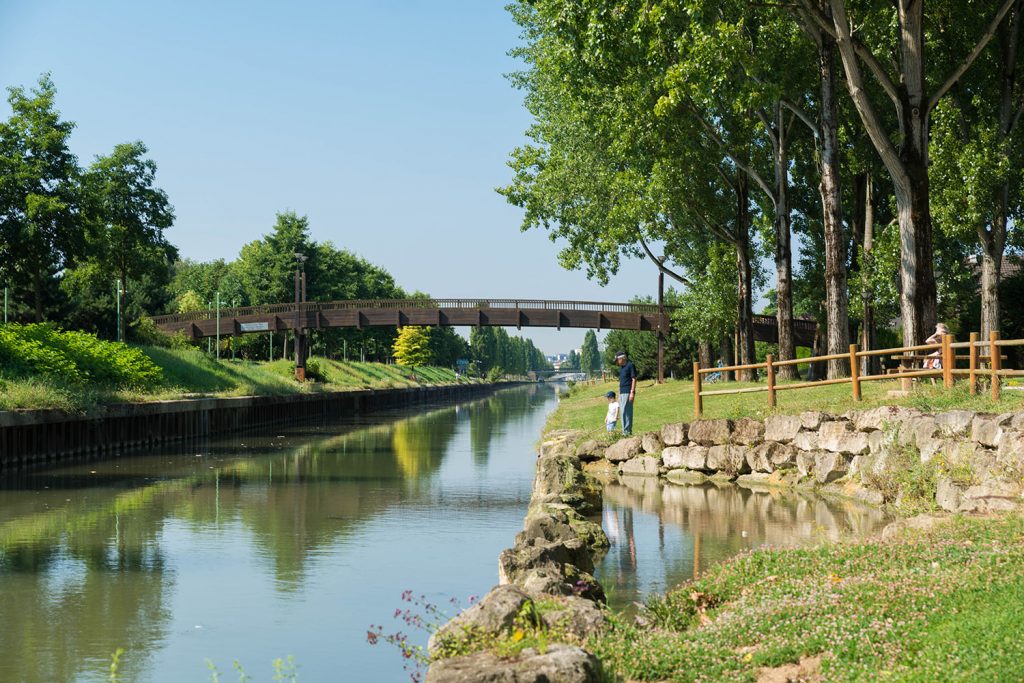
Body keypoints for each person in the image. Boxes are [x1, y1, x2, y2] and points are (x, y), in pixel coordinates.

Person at [615, 351, 637, 436]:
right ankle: (624, 431)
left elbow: (634, 379)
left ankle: (627, 432)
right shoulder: (622, 368)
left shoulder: (630, 365)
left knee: (626, 412)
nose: (617, 362)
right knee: (622, 412)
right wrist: (619, 394)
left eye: (617, 360)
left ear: (622, 358)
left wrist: (632, 392)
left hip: (628, 392)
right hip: (622, 393)